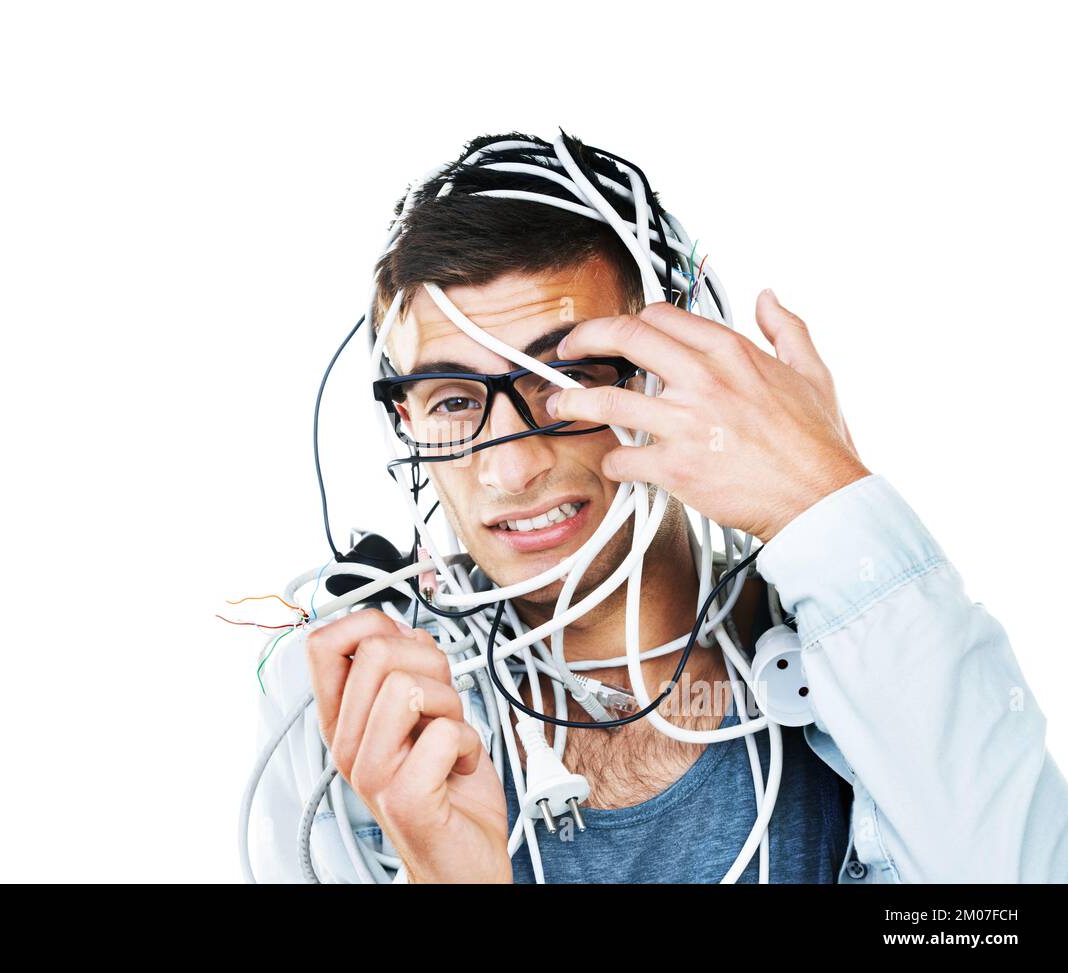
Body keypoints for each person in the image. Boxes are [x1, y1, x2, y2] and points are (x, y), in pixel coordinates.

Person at [248, 132, 1068, 883]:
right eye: (454, 400)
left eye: (566, 379)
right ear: (405, 420)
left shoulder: (850, 647)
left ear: (667, 368)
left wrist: (826, 501)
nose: (510, 465)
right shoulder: (351, 696)